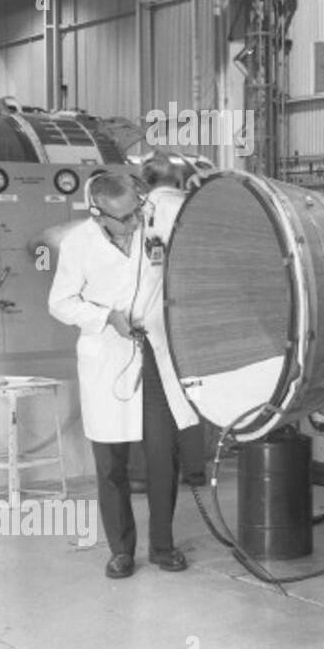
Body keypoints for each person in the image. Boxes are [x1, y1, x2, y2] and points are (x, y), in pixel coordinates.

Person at [47, 171, 200, 579]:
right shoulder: (78, 244)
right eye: (125, 217)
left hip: (153, 353)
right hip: (107, 358)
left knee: (162, 456)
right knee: (111, 464)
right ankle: (121, 550)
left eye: (137, 211)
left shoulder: (154, 227)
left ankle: (164, 546)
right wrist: (105, 318)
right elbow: (60, 303)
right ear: (98, 214)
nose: (135, 222)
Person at [141, 153, 206, 488]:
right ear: (179, 179)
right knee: (191, 389)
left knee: (154, 399)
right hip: (186, 309)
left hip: (142, 316)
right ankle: (195, 469)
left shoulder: (138, 210)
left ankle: (148, 473)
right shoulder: (190, 206)